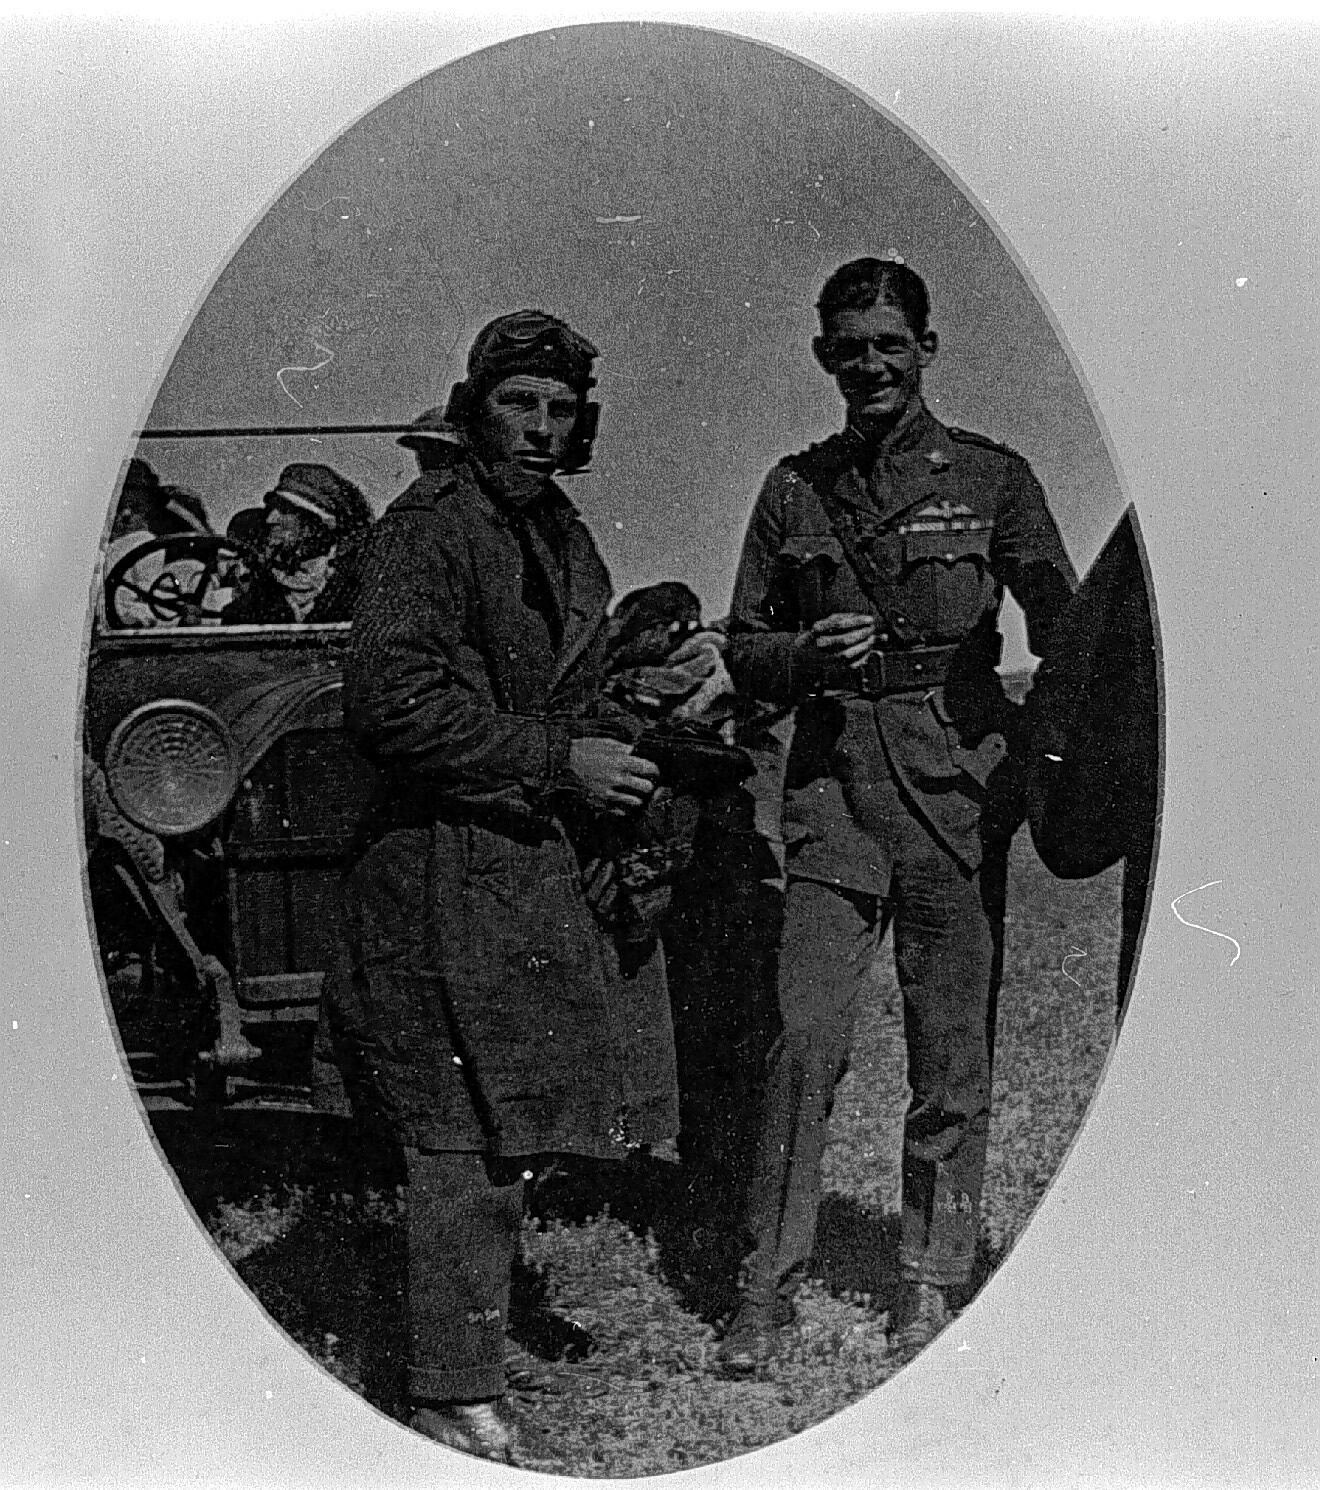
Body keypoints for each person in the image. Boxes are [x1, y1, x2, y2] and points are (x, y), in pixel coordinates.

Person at [319, 310, 679, 1464]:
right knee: (458, 1129)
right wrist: (555, 759)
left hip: (516, 867)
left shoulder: (553, 531)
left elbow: (566, 681)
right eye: (517, 404)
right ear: (475, 410)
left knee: (508, 1119)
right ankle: (447, 1390)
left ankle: (468, 1349)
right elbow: (392, 704)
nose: (539, 427)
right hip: (434, 869)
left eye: (560, 409)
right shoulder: (428, 531)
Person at [717, 257, 1077, 1373]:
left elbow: (1064, 626)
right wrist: (799, 651)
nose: (870, 364)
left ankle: (931, 1275)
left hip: (953, 797)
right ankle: (764, 1286)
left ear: (925, 348)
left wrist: (1045, 759)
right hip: (833, 795)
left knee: (949, 1048)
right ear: (824, 356)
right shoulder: (792, 488)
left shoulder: (992, 477)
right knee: (803, 1040)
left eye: (890, 343)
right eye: (849, 346)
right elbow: (740, 648)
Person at [220, 462, 374, 624]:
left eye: (285, 510)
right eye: (271, 508)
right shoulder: (248, 607)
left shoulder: (360, 593)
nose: (270, 519)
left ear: (316, 523)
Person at [99, 457, 214, 627]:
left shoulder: (183, 557)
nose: (126, 514)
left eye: (137, 506)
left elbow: (208, 543)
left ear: (151, 506)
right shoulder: (109, 548)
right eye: (118, 506)